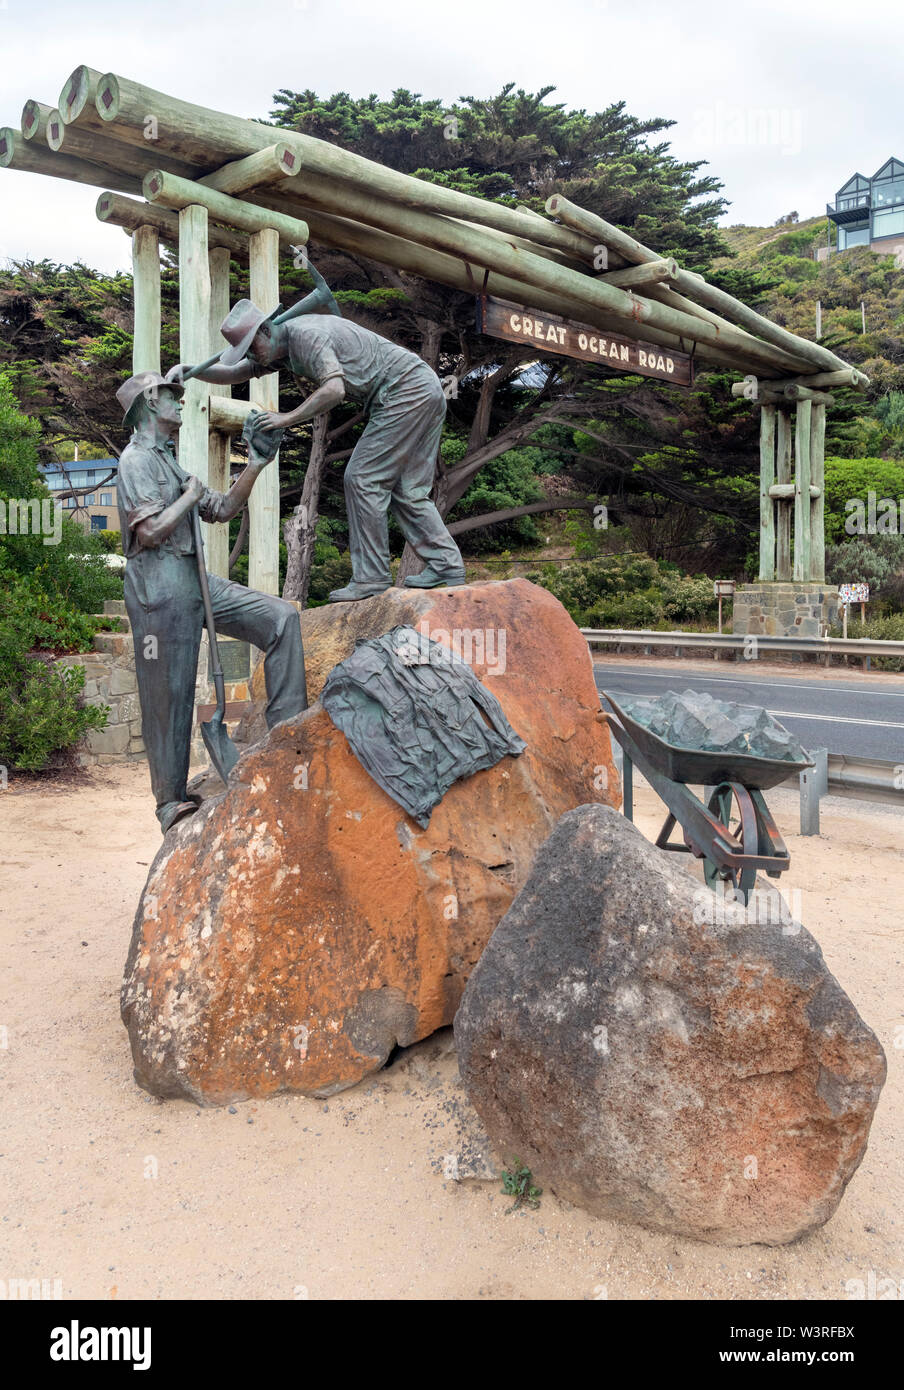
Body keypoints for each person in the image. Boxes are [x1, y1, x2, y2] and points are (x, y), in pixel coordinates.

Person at [169, 294, 465, 601]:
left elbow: (334, 389)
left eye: (251, 349)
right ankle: (446, 563)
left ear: (266, 330)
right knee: (408, 490)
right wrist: (190, 370)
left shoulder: (306, 337)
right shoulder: (277, 348)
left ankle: (372, 576)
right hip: (423, 389)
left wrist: (286, 419)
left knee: (362, 478)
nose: (252, 358)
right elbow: (235, 372)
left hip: (406, 392)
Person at [115, 372, 307, 834]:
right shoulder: (135, 460)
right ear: (149, 403)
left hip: (194, 578)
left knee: (280, 619)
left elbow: (219, 509)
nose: (181, 405)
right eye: (172, 399)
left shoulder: (168, 459)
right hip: (158, 586)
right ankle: (169, 801)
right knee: (170, 692)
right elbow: (150, 532)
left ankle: (289, 737)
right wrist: (189, 498)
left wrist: (257, 464)